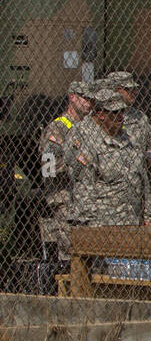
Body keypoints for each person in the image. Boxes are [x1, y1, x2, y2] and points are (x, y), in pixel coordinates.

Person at [66, 90, 151, 227]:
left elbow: (143, 180)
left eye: (122, 111)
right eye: (114, 112)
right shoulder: (89, 143)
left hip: (133, 222)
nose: (121, 116)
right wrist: (90, 225)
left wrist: (148, 216)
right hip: (103, 225)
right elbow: (83, 188)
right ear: (101, 114)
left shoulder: (129, 140)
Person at [39, 80, 93, 260]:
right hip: (64, 196)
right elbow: (48, 167)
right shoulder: (58, 128)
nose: (88, 103)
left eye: (90, 99)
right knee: (71, 252)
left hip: (87, 197)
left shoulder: (89, 129)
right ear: (72, 97)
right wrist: (76, 163)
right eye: (84, 98)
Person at [107, 71, 151, 172]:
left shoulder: (140, 117)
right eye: (129, 89)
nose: (134, 92)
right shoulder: (103, 117)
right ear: (116, 91)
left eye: (135, 89)